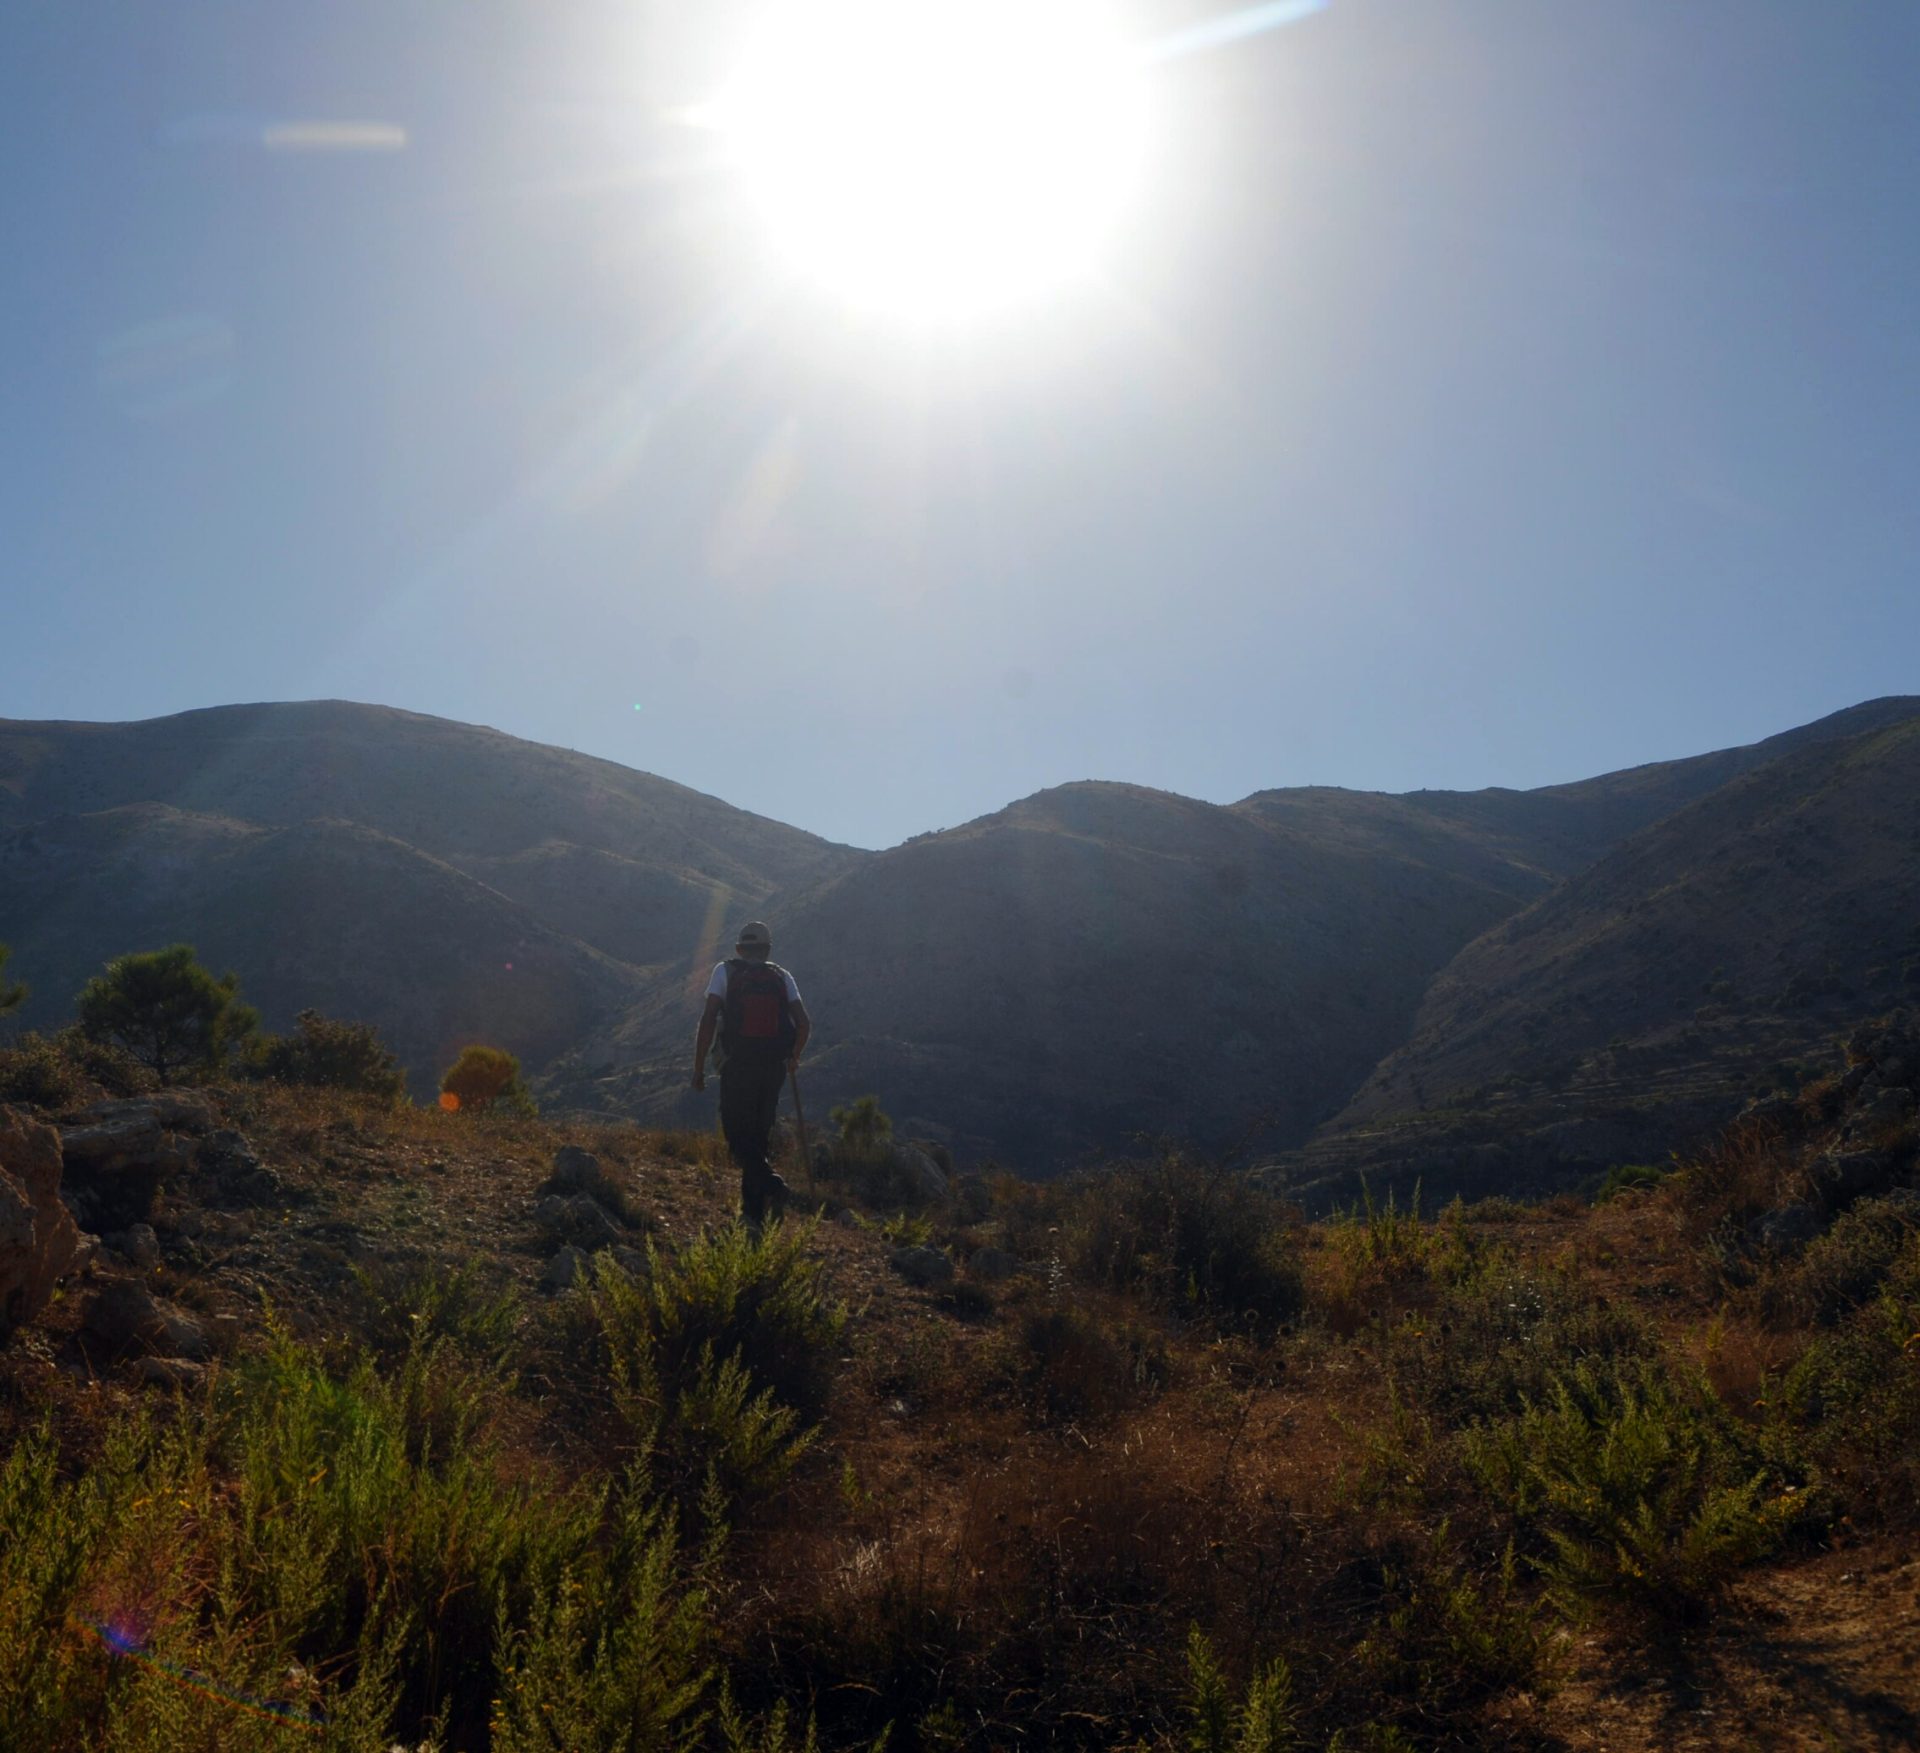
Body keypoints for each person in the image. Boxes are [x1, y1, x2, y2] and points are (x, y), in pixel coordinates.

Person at [691, 920, 811, 1227]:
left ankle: (771, 1186)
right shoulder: (782, 976)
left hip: (738, 1064)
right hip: (773, 1067)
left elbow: (708, 1019)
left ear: (739, 949)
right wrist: (794, 1056)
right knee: (758, 1136)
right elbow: (804, 1023)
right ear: (768, 948)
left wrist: (698, 1066)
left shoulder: (726, 971)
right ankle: (752, 1214)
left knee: (736, 1136)